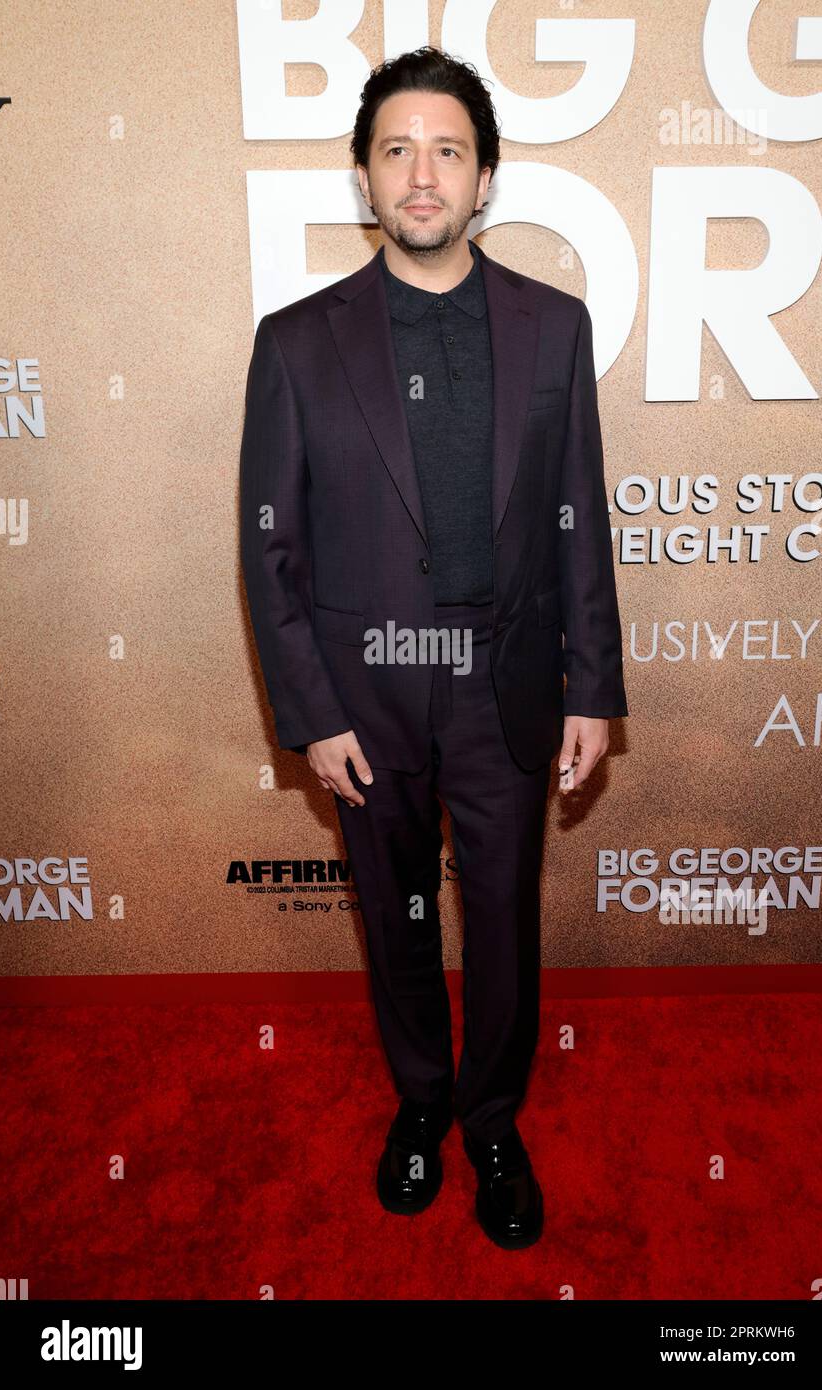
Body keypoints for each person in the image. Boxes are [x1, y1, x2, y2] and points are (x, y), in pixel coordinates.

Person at [239, 46, 628, 1250]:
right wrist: (311, 710)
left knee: (503, 916)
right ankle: (419, 1101)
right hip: (364, 702)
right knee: (397, 913)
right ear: (365, 176)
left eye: (447, 150)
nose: (422, 173)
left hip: (505, 689)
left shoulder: (552, 326)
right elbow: (271, 548)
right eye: (397, 149)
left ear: (484, 178)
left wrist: (592, 686)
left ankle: (492, 1118)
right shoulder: (297, 341)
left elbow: (580, 514)